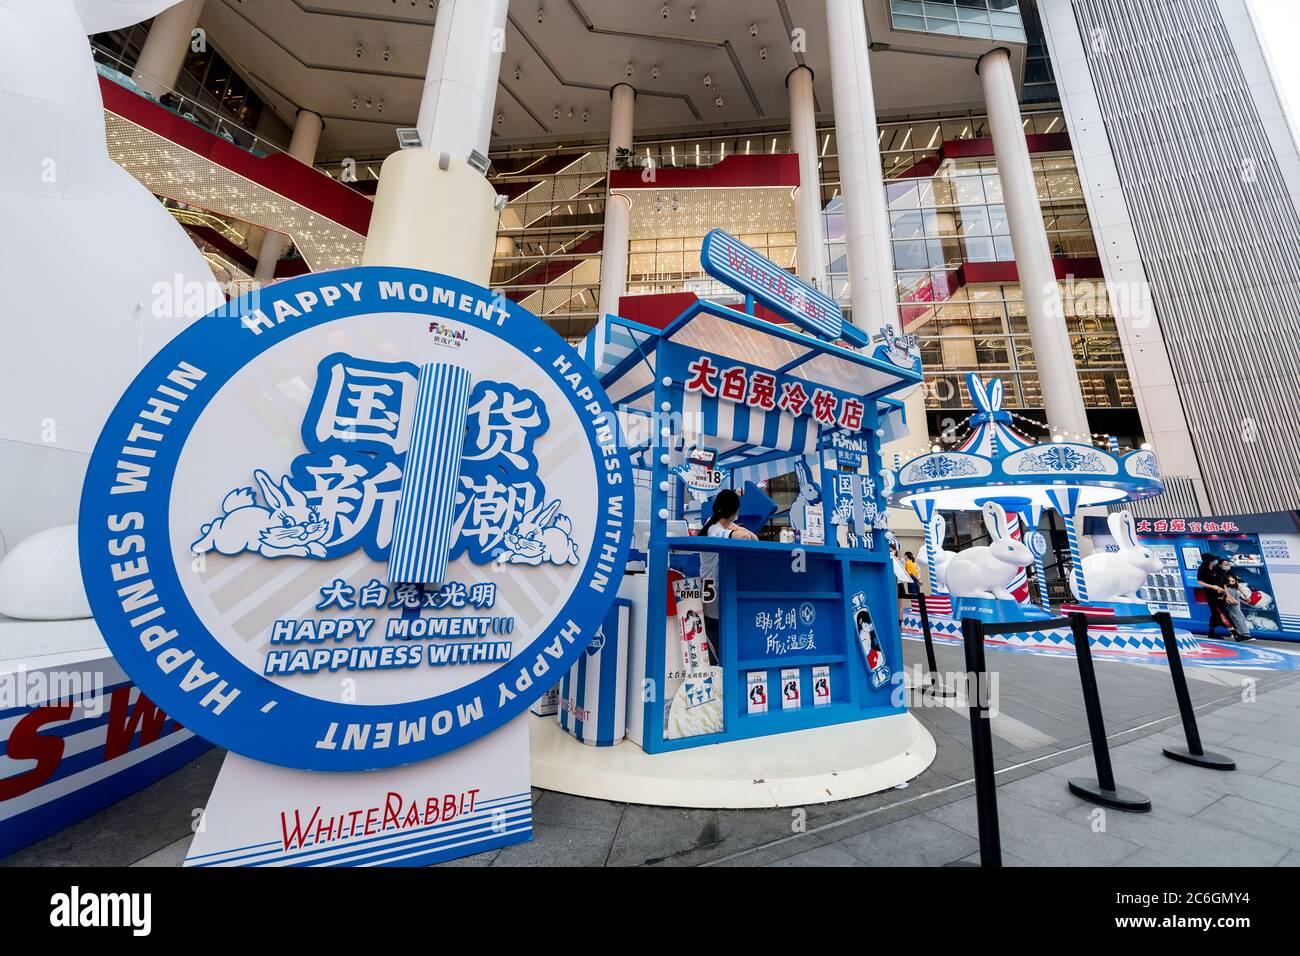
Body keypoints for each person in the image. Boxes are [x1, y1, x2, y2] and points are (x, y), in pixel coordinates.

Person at [698, 489, 758, 664]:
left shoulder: (715, 525)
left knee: (722, 640)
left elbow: (753, 538)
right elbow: (745, 538)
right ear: (734, 511)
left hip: (718, 591)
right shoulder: (713, 529)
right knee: (716, 642)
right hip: (713, 594)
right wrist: (736, 528)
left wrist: (734, 525)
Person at [1196, 554, 1232, 641]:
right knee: (1215, 611)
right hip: (1210, 593)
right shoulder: (1202, 568)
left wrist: (1226, 593)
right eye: (1213, 559)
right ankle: (1231, 630)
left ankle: (1212, 632)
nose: (1215, 560)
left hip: (1220, 593)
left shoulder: (1216, 568)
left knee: (1217, 612)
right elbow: (1200, 582)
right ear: (1209, 560)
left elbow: (1223, 581)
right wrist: (1213, 587)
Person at [1221, 562, 1254, 642]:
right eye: (1225, 564)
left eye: (1228, 564)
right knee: (1239, 615)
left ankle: (1236, 633)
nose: (1227, 565)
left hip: (1234, 593)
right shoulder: (1221, 575)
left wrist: (1246, 596)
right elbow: (1224, 586)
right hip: (1228, 594)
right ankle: (1245, 634)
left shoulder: (1230, 574)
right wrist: (1228, 596)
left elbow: (1237, 585)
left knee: (1234, 615)